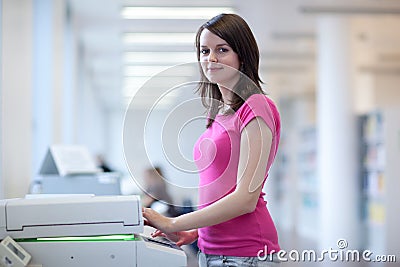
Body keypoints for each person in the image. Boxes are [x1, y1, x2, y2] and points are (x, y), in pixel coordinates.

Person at [142, 13, 281, 267]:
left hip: (245, 253)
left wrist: (174, 222)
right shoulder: (218, 112)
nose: (211, 58)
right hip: (211, 250)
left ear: (243, 56)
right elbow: (217, 188)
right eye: (204, 51)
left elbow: (245, 199)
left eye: (222, 49)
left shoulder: (256, 106)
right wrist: (198, 229)